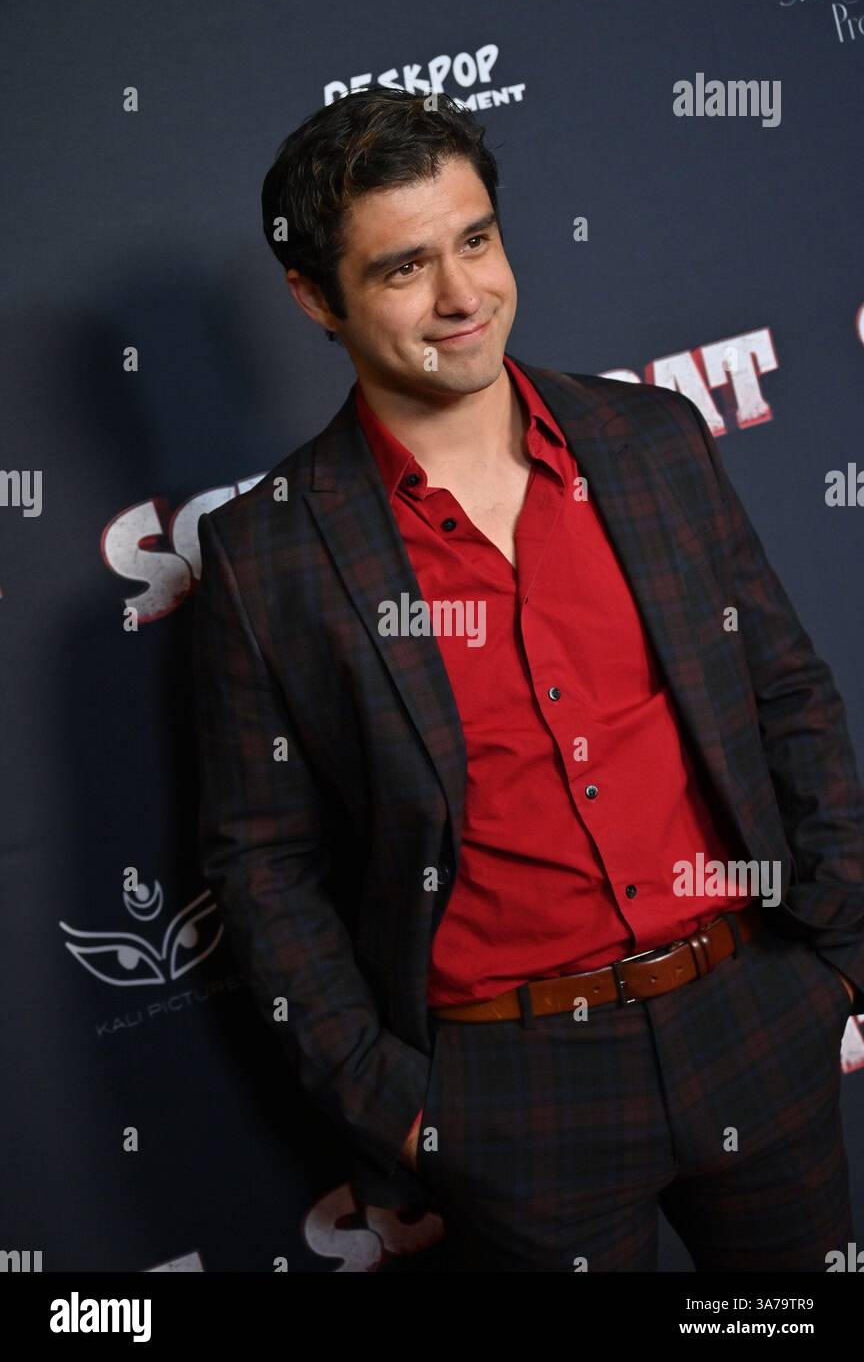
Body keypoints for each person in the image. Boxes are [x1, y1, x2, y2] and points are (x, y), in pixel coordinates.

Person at [193, 86, 864, 1271]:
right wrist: (397, 1104)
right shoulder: (268, 553)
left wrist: (840, 954)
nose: (463, 296)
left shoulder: (652, 441)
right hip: (513, 1089)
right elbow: (265, 863)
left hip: (753, 1013)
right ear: (315, 299)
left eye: (476, 239)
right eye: (405, 268)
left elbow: (787, 691)